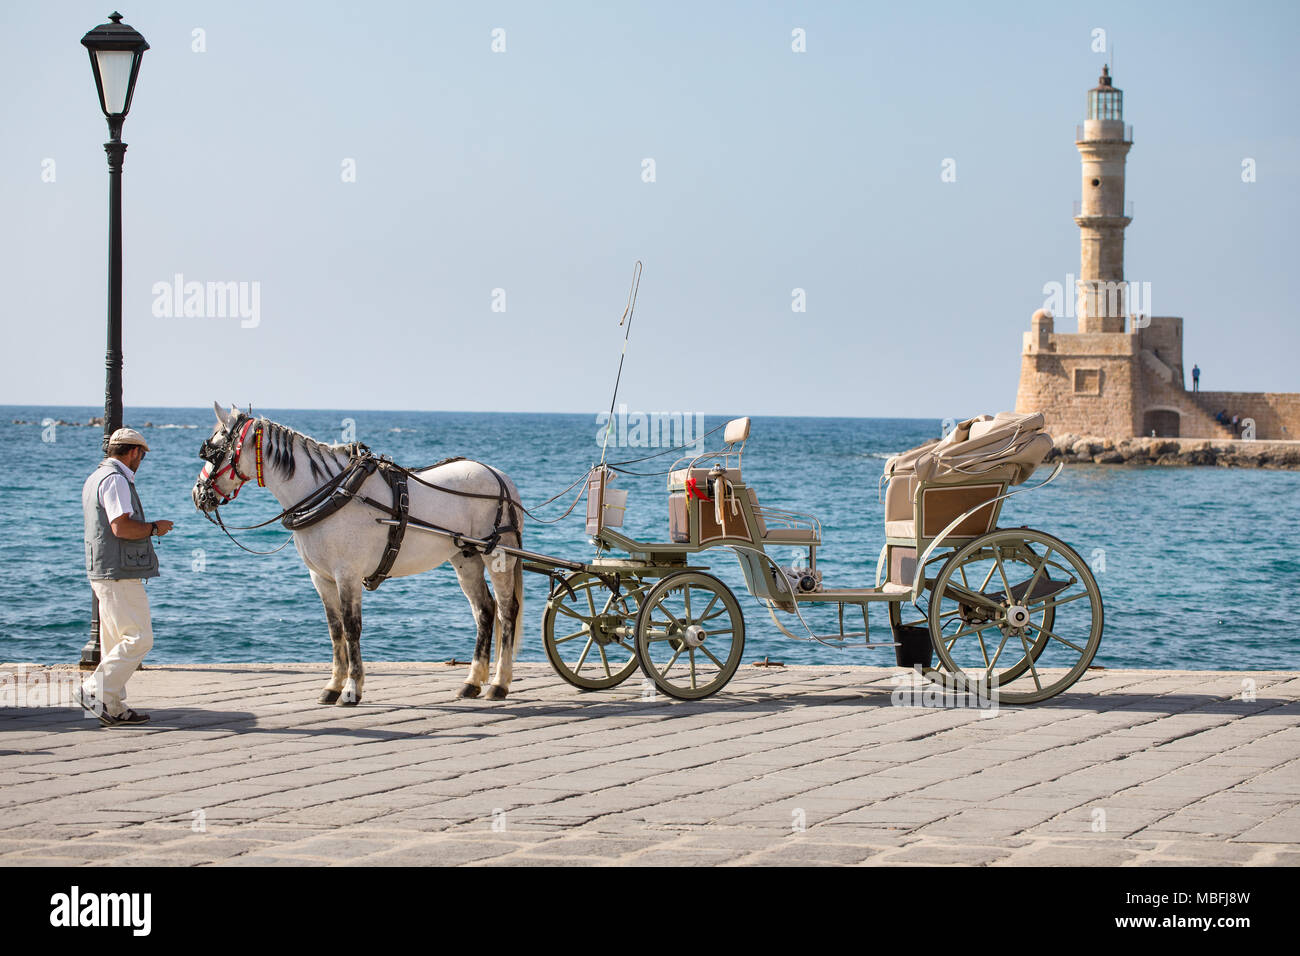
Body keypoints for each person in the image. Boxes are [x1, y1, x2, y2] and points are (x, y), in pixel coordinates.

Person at [75, 428, 173, 727]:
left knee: (114, 639)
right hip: (119, 573)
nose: (141, 461)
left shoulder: (95, 478)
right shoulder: (116, 480)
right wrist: (156, 527)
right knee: (139, 638)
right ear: (133, 452)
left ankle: (114, 707)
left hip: (101, 569)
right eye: (141, 455)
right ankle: (94, 690)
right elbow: (122, 528)